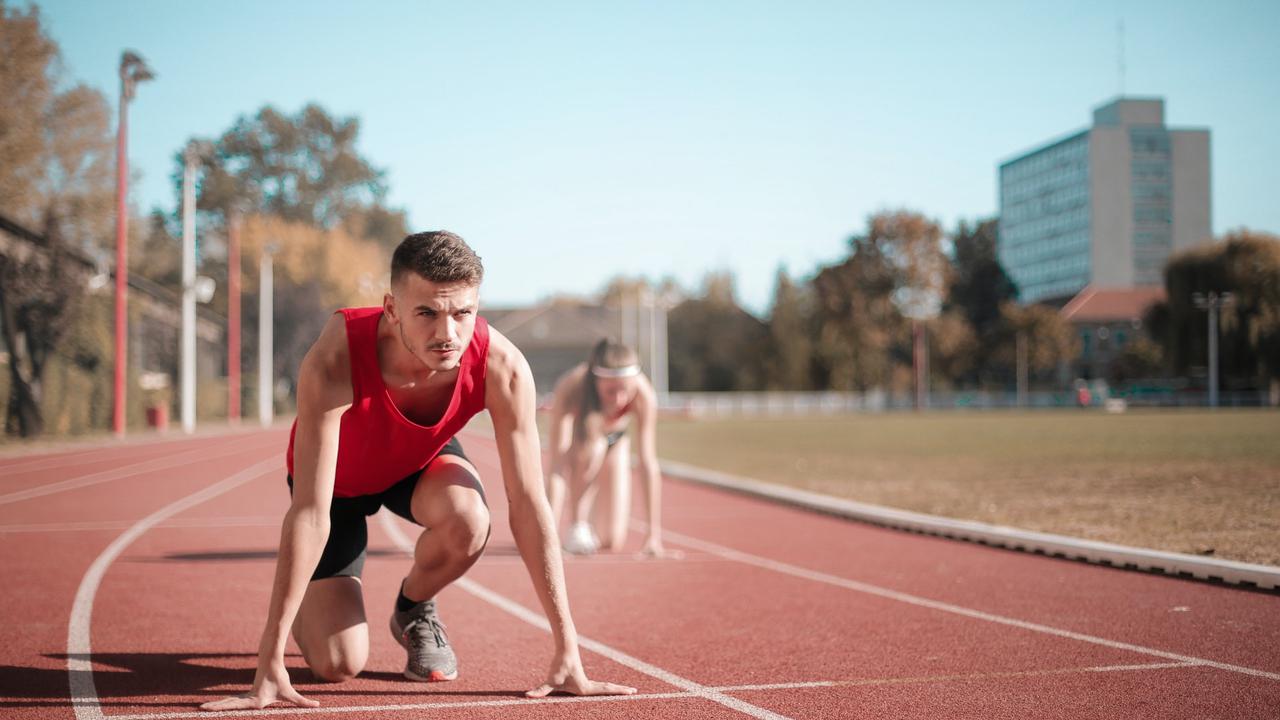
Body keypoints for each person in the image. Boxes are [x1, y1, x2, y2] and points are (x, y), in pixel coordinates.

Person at [201, 231, 634, 711]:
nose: (447, 333)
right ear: (391, 309)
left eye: (462, 313)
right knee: (337, 665)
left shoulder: (502, 367)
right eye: (426, 313)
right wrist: (270, 658)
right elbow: (309, 511)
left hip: (416, 464)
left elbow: (530, 505)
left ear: (476, 306)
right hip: (337, 486)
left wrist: (567, 649)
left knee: (471, 519)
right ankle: (306, 597)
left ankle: (413, 608)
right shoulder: (336, 356)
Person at [543, 339, 675, 557]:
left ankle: (593, 523)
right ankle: (578, 524)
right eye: (610, 391)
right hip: (583, 442)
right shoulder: (571, 387)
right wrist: (548, 536)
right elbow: (557, 466)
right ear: (596, 382)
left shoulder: (643, 394)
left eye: (625, 390)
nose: (619, 399)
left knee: (610, 540)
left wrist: (653, 535)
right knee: (594, 448)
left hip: (617, 441)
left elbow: (648, 462)